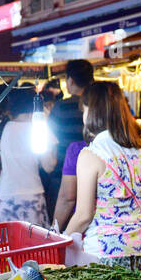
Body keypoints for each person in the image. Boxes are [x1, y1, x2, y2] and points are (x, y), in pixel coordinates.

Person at [64, 82, 141, 260]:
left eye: (84, 110)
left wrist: (62, 238)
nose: (84, 115)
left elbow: (83, 216)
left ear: (92, 110)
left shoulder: (91, 154)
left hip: (104, 250)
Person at [0, 86, 56, 228]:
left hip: (5, 197)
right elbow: (49, 166)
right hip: (33, 196)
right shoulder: (40, 129)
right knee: (36, 247)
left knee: (7, 247)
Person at [47, 60, 93, 211]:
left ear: (70, 80)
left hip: (63, 172)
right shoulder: (97, 105)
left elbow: (50, 139)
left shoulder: (60, 107)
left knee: (63, 220)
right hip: (93, 172)